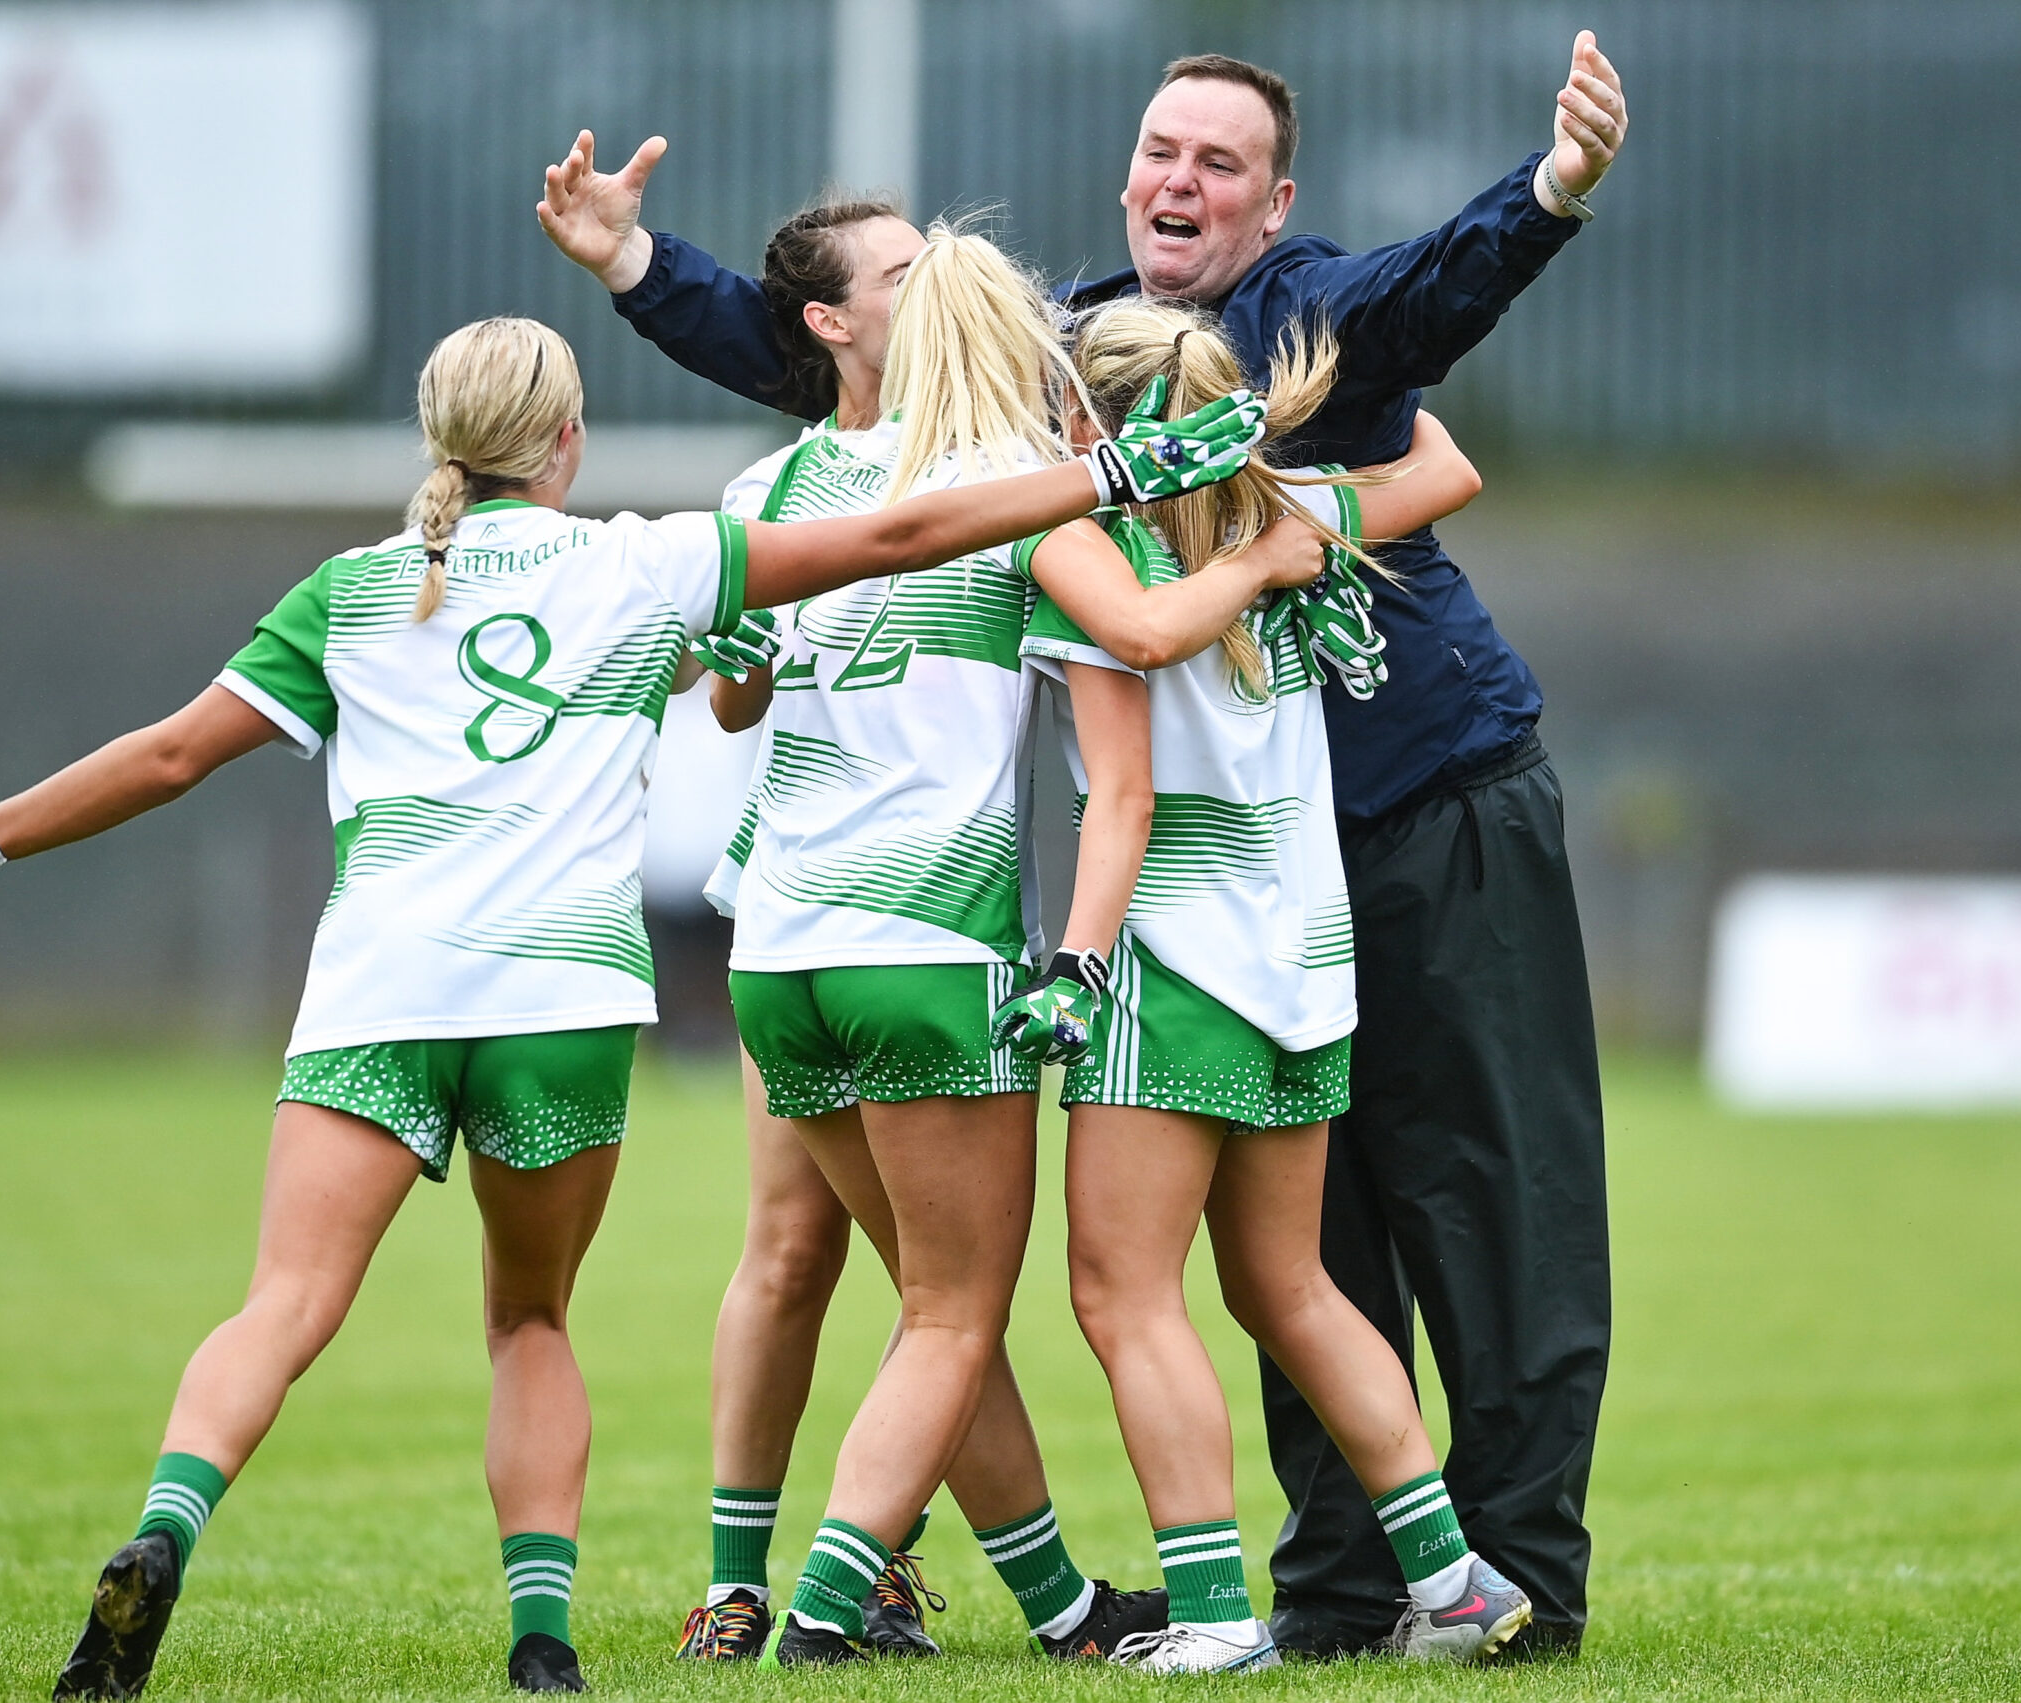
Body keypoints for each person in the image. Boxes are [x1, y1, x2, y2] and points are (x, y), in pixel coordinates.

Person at [0, 314, 1270, 1699]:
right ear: (567, 439)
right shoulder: (642, 566)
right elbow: (893, 536)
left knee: (285, 1304)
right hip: (561, 997)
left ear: (439, 438)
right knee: (530, 1318)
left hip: (376, 992)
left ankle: (167, 1528)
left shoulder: (354, 588)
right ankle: (540, 1644)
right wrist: (1106, 472)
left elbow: (168, 757)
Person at [539, 29, 1627, 1657]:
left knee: (1474, 1209)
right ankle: (1363, 1584)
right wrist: (636, 266)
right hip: (1274, 878)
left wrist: (1550, 193)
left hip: (1418, 809)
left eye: (1219, 161)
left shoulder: (1294, 328)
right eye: (1160, 150)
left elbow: (1430, 316)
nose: (1178, 179)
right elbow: (845, 353)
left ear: (1275, 204)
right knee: (1295, 1266)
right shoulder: (1079, 378)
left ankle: (1488, 1574)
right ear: (1128, 172)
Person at [649, 214, 1327, 1669]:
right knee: (954, 1316)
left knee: (914, 1308)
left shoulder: (769, 482)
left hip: (773, 953)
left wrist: (751, 664)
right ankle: (828, 1610)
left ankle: (1054, 1607)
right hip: (921, 940)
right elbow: (1143, 637)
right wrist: (1274, 558)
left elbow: (729, 696)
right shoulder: (1016, 496)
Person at [997, 297, 1529, 1672]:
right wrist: (1334, 358)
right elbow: (1447, 467)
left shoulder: (1088, 546)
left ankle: (1216, 1616)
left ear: (1088, 426)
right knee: (1285, 1283)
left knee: (1124, 1294)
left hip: (1174, 962)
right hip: (1307, 962)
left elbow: (1124, 786)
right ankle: (1455, 1580)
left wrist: (1077, 965)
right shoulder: (1284, 514)